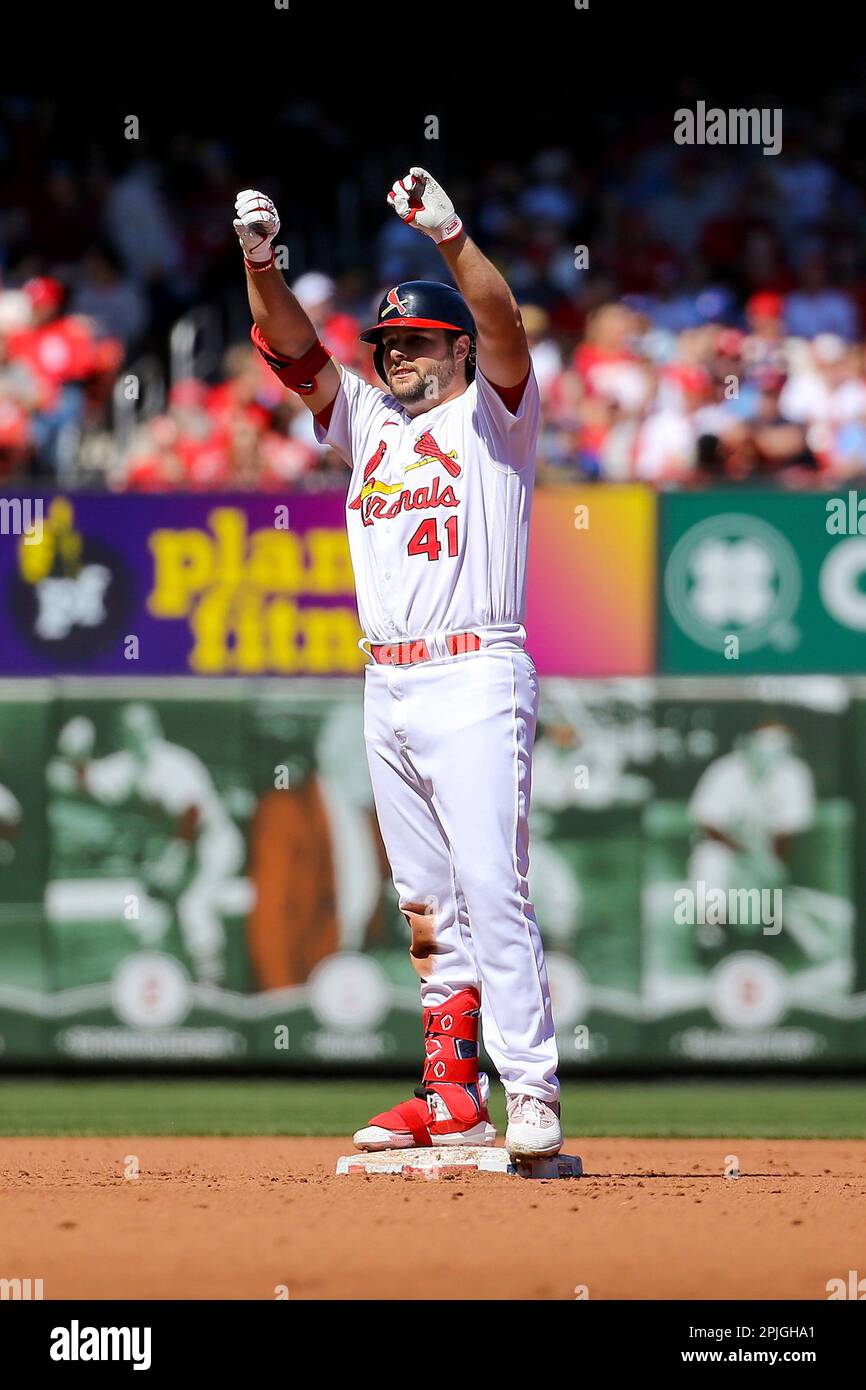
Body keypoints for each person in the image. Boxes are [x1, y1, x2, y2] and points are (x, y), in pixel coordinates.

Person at [234, 167, 562, 1158]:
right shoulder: (371, 426)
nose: (396, 356)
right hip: (389, 681)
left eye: (415, 340)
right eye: (386, 344)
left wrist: (450, 237)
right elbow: (293, 349)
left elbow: (504, 324)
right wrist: (259, 260)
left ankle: (531, 1087)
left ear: (454, 348)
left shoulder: (492, 419)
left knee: (491, 887)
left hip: (474, 670)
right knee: (424, 901)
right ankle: (448, 1092)